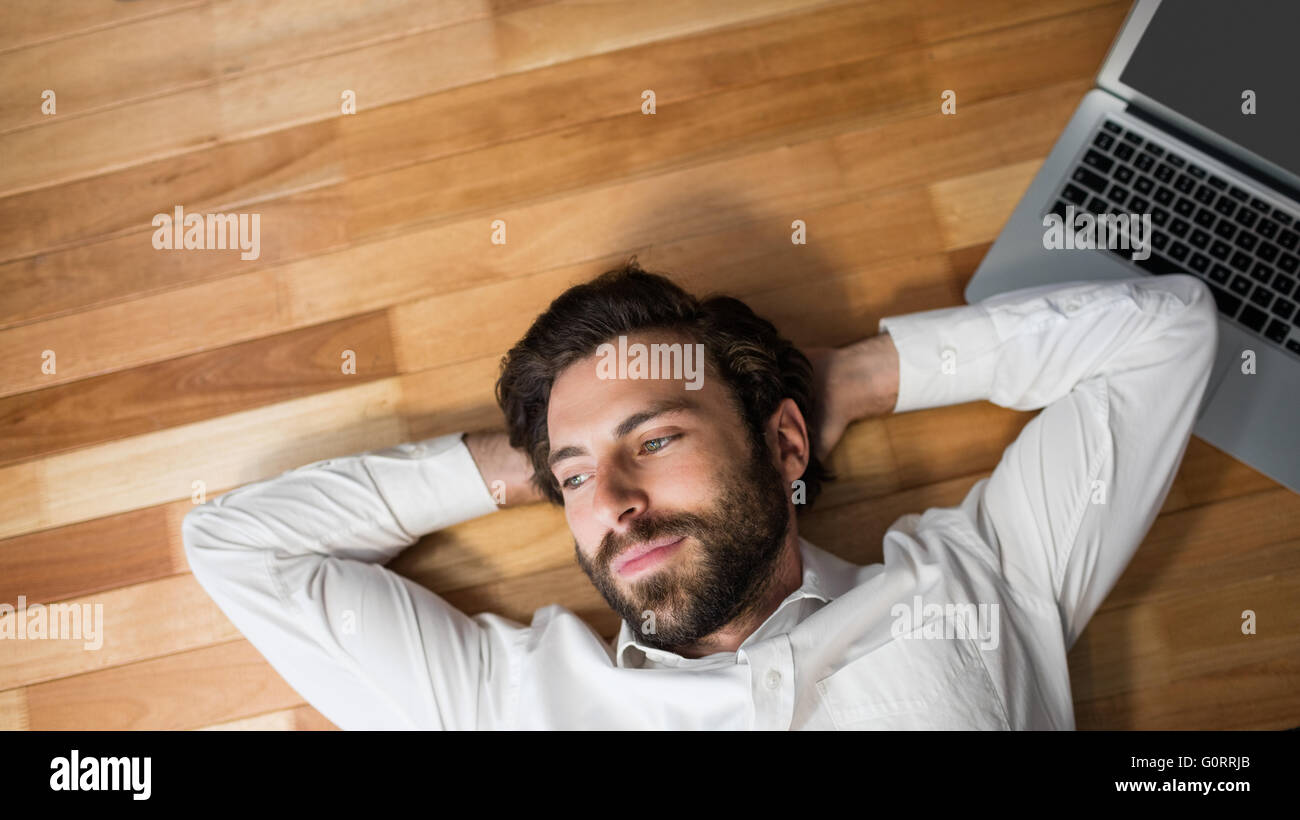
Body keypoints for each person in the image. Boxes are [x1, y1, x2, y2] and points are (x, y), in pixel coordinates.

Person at [182, 259, 1218, 729]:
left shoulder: (977, 586)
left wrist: (849, 379)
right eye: (580, 476)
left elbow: (1165, 334)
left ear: (779, 441)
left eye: (656, 437)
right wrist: (525, 466)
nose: (613, 501)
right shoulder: (503, 707)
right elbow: (240, 547)